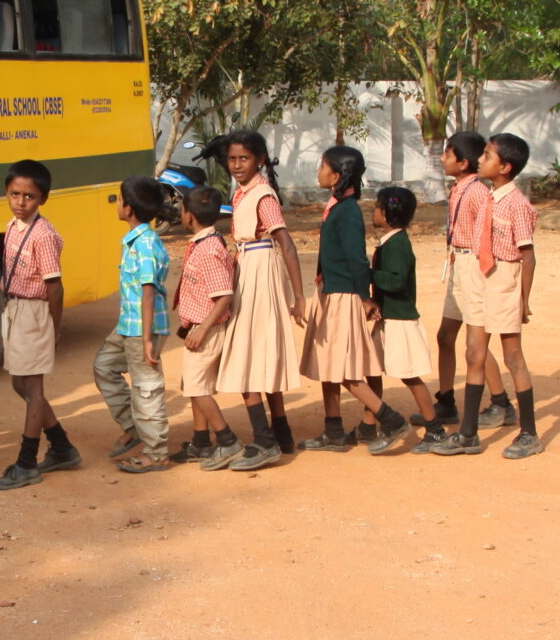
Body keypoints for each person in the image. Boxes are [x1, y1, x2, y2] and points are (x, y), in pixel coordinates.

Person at [426, 133, 541, 458]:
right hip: (481, 276)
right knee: (474, 353)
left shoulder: (517, 204)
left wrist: (524, 300)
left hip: (504, 278)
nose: (481, 160)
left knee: (513, 357)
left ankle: (529, 433)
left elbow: (528, 257)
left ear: (505, 167)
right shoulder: (489, 197)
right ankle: (468, 435)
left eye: (488, 156)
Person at [299, 145, 406, 453]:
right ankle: (333, 430)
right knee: (328, 365)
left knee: (342, 368)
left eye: (323, 166)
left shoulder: (347, 211)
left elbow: (357, 258)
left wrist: (363, 296)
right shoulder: (337, 205)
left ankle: (391, 419)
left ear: (336, 176)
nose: (319, 172)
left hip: (343, 294)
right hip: (330, 290)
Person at [211, 131, 306, 470]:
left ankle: (264, 441)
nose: (237, 165)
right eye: (232, 159)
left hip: (260, 271)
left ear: (260, 160)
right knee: (261, 353)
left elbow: (287, 244)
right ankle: (281, 434)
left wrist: (299, 296)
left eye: (244, 158)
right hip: (248, 267)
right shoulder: (243, 192)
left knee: (247, 354)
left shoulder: (263, 195)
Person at [0, 160, 78, 491]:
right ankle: (62, 446)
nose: (20, 202)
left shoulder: (42, 235)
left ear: (43, 198)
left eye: (29, 196)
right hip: (16, 308)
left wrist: (54, 328)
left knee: (33, 390)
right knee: (21, 385)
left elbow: (55, 287)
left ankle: (26, 462)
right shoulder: (13, 226)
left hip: (35, 312)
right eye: (14, 194)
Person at [94, 176, 175, 474]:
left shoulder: (145, 243)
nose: (117, 203)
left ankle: (156, 453)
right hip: (129, 325)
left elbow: (148, 290)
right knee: (104, 366)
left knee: (146, 388)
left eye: (119, 199)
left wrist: (147, 340)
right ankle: (134, 427)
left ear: (128, 208)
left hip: (143, 328)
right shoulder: (136, 240)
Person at [170, 184, 243, 467]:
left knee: (197, 388)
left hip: (207, 329)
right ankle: (201, 442)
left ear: (189, 214)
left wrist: (201, 329)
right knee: (194, 385)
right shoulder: (206, 242)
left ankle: (227, 440)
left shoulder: (208, 250)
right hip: (199, 327)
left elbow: (224, 295)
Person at [431, 131, 491, 433]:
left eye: (448, 154)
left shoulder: (478, 192)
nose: (443, 158)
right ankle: (446, 400)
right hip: (458, 262)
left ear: (464, 162)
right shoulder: (458, 188)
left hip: (473, 266)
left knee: (476, 342)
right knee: (445, 336)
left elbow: (488, 234)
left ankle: (500, 401)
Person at [370, 185, 437, 448]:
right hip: (391, 317)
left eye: (377, 207)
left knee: (410, 375)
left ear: (387, 214)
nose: (374, 211)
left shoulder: (397, 245)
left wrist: (368, 274)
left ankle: (435, 429)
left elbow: (396, 281)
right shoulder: (392, 242)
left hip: (400, 320)